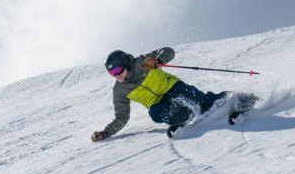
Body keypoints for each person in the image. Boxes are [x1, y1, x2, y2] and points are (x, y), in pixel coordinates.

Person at [91, 48, 244, 142]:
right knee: (156, 114)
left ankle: (240, 99)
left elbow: (168, 50)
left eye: (117, 71)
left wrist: (158, 60)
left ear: (126, 64)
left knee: (203, 101)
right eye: (111, 73)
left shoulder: (141, 62)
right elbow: (121, 117)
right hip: (162, 103)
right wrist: (106, 132)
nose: (116, 75)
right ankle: (185, 117)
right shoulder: (119, 91)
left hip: (173, 87)